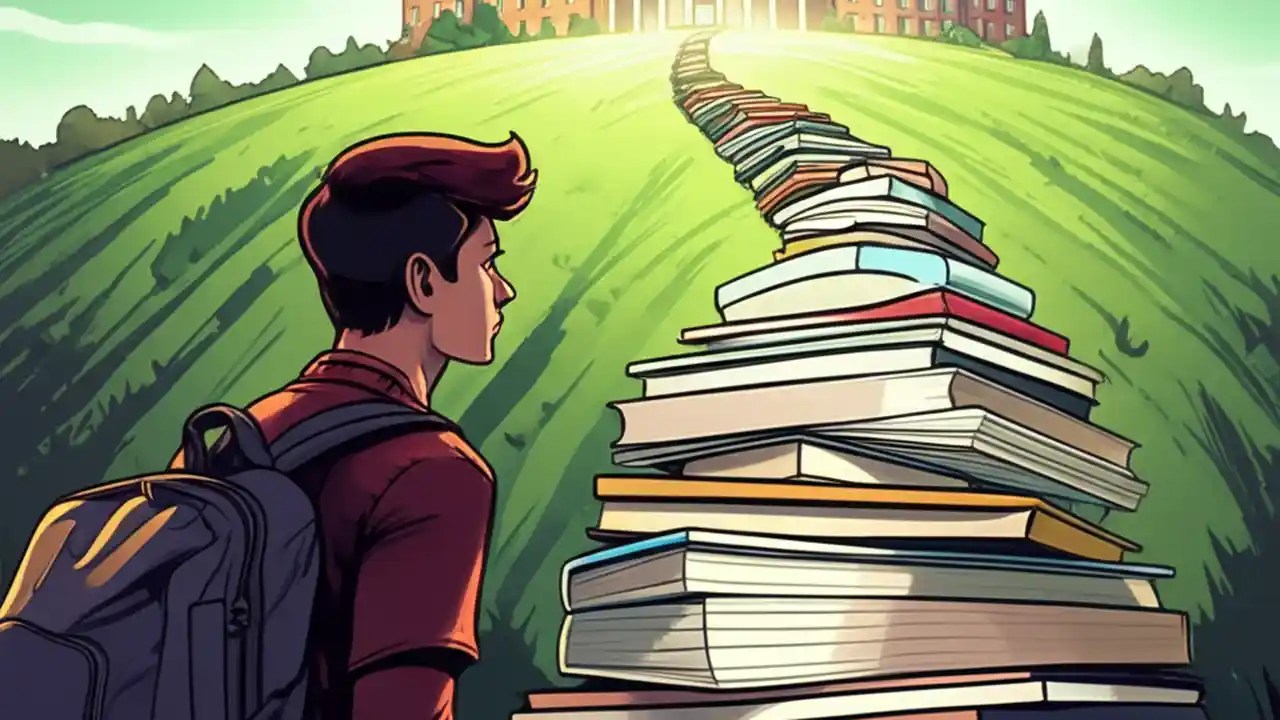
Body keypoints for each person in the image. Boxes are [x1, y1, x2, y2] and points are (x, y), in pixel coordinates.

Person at [177, 130, 537, 720]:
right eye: (486, 262)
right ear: (424, 282)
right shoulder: (434, 474)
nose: (504, 290)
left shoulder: (231, 440)